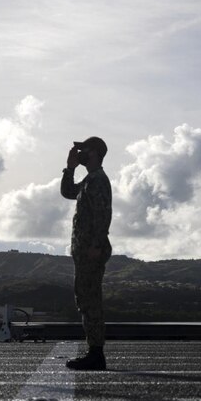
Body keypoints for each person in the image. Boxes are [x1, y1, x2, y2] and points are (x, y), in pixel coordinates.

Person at [61, 136, 112, 370]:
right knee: (84, 299)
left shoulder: (99, 180)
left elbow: (103, 215)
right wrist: (69, 168)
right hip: (83, 252)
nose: (81, 153)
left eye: (85, 150)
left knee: (91, 300)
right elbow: (68, 192)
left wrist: (96, 245)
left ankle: (96, 353)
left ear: (95, 153)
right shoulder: (89, 180)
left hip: (91, 251)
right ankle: (94, 351)